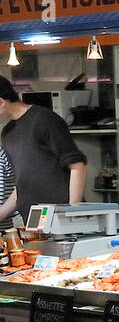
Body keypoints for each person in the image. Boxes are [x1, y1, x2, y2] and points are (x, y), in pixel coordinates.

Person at [0, 75, 87, 222]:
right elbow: (21, 187)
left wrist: (73, 210)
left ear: (1, 102)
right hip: (34, 220)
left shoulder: (45, 120)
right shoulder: (8, 133)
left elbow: (77, 165)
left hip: (62, 216)